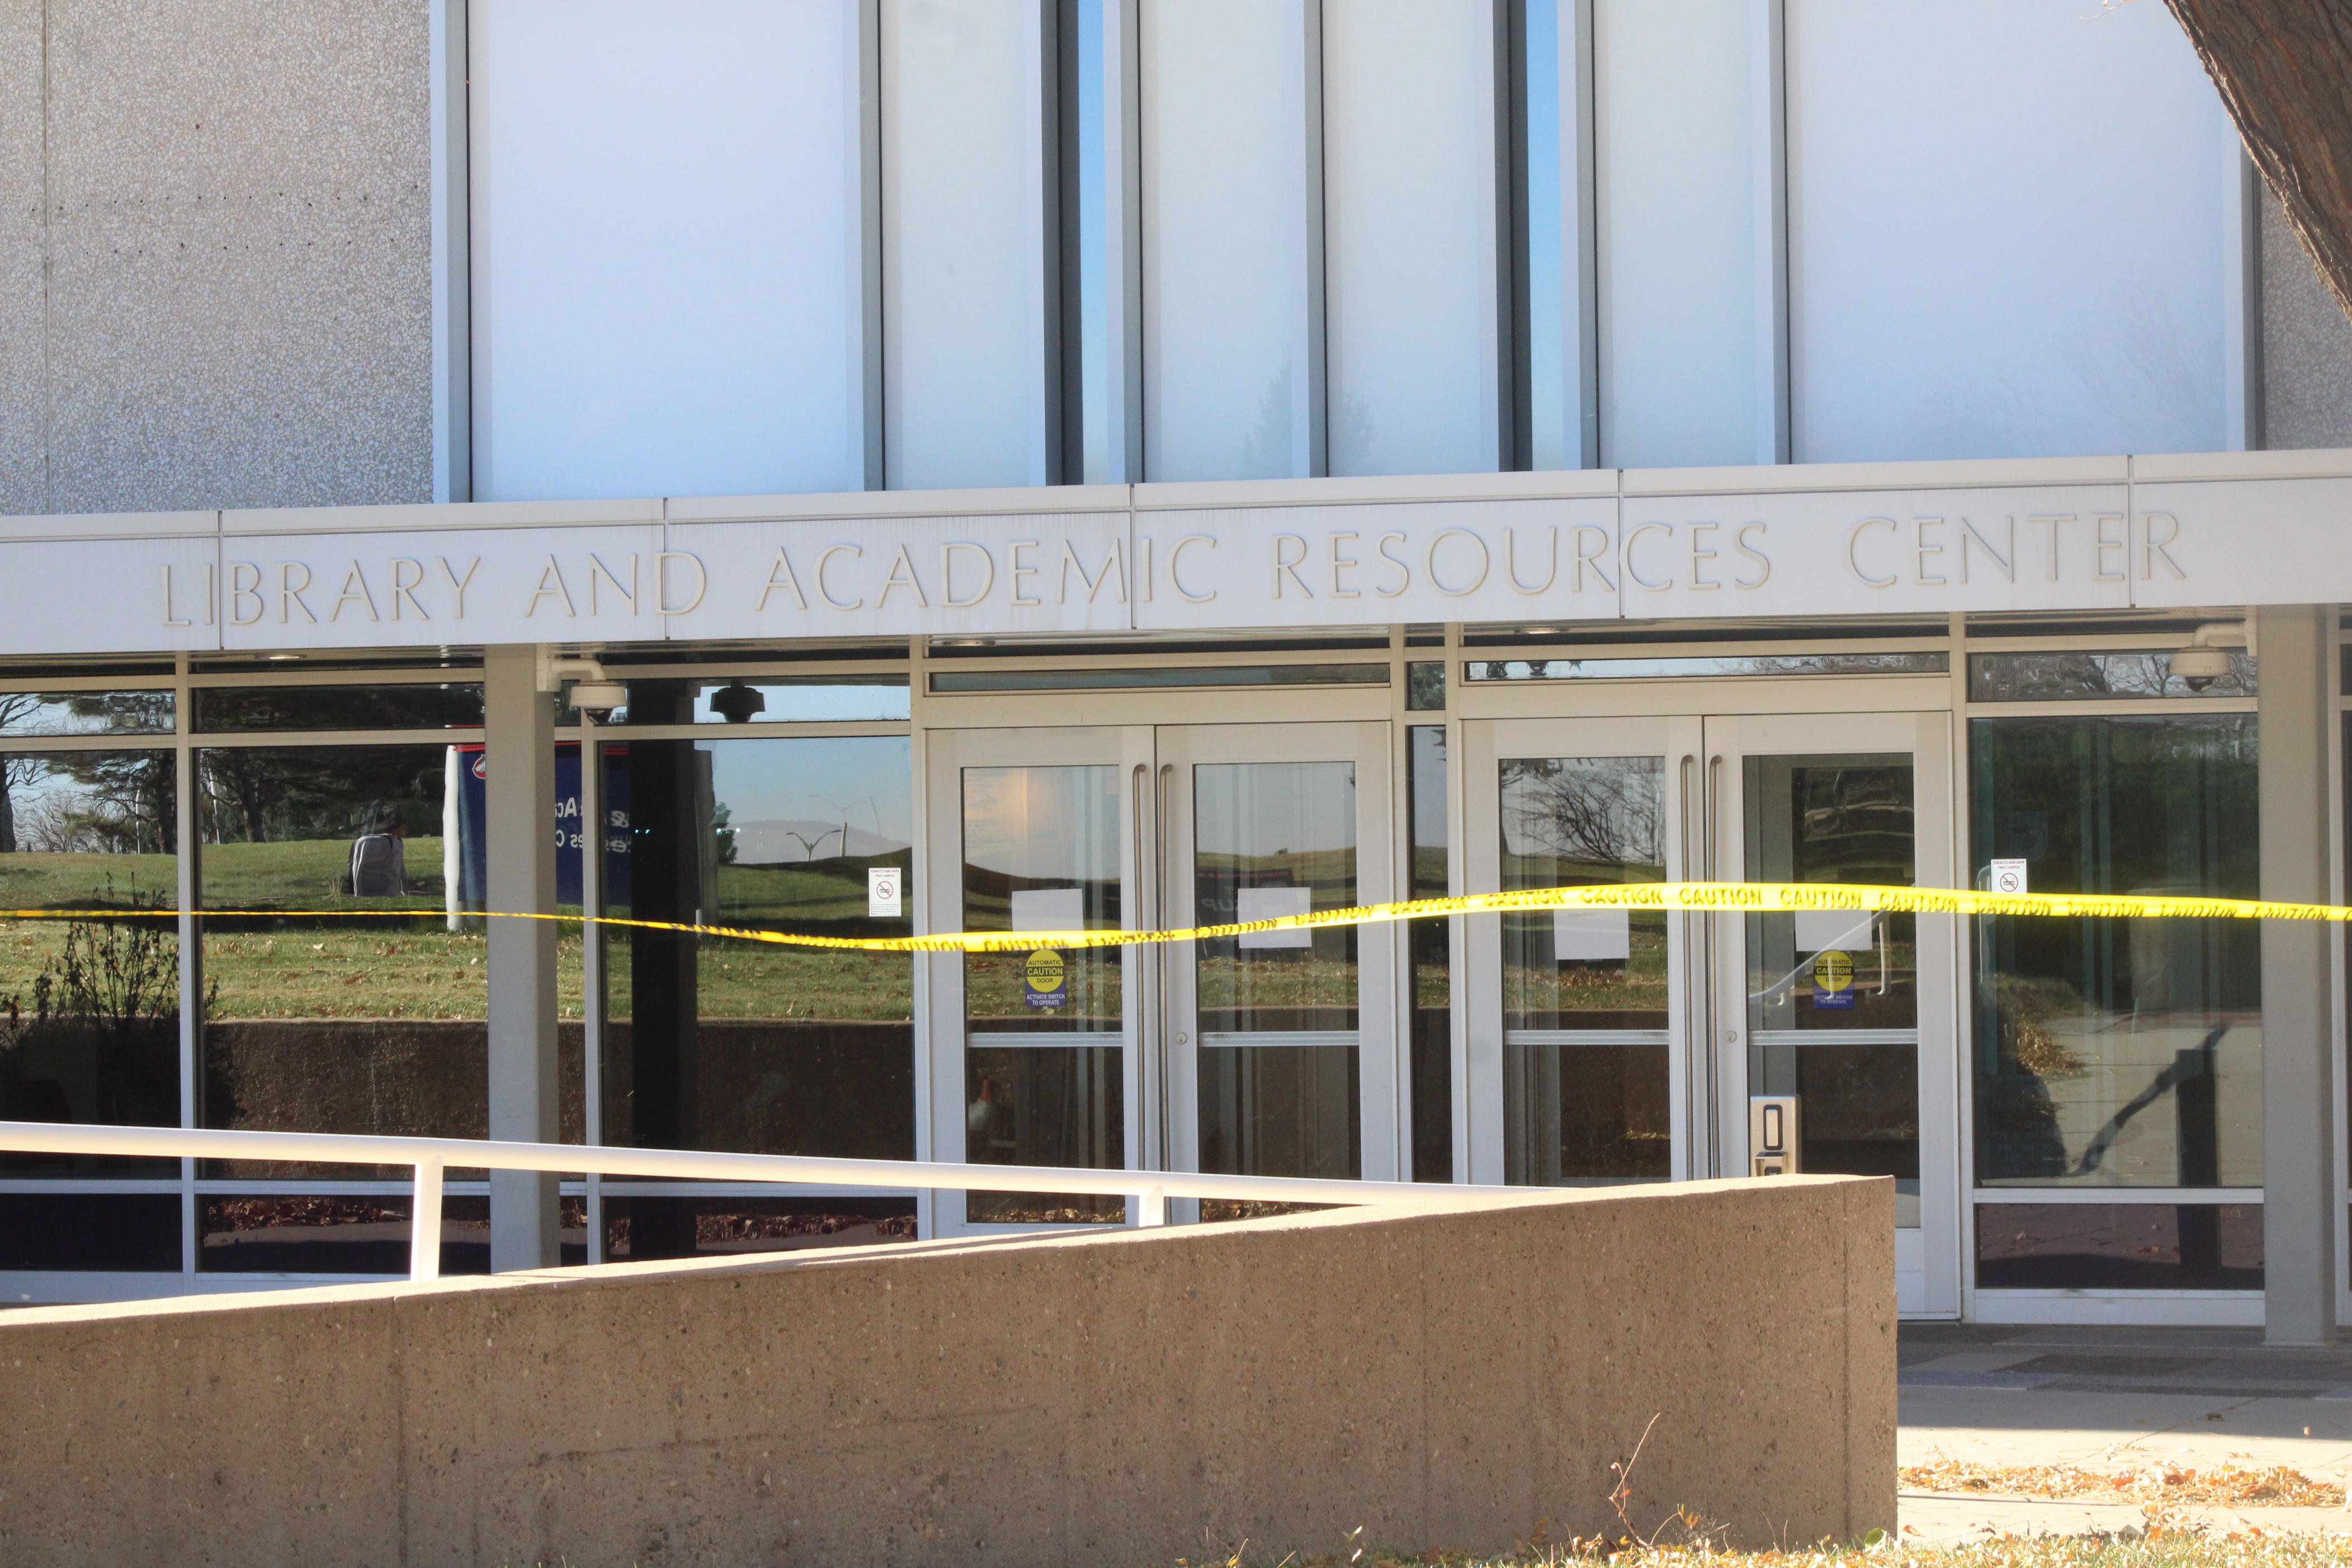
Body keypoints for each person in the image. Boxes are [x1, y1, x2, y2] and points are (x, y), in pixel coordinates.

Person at [350, 814, 410, 896]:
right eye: (404, 828)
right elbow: (401, 871)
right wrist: (405, 892)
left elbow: (357, 868)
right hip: (388, 892)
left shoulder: (363, 841)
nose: (406, 830)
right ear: (398, 829)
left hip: (366, 890)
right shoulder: (396, 843)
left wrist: (358, 893)